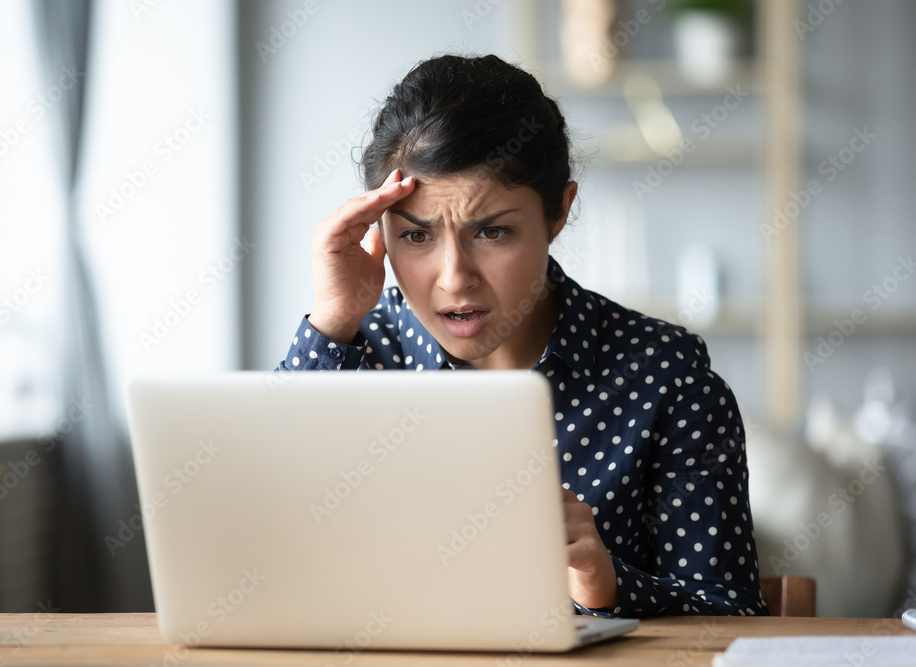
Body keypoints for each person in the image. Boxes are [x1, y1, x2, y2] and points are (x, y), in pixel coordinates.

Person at [276, 53, 768, 618]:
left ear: (558, 212)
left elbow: (731, 617)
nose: (454, 277)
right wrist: (334, 320)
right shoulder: (350, 356)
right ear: (379, 229)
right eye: (416, 237)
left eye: (493, 231)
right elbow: (261, 564)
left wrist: (607, 587)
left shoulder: (667, 376)